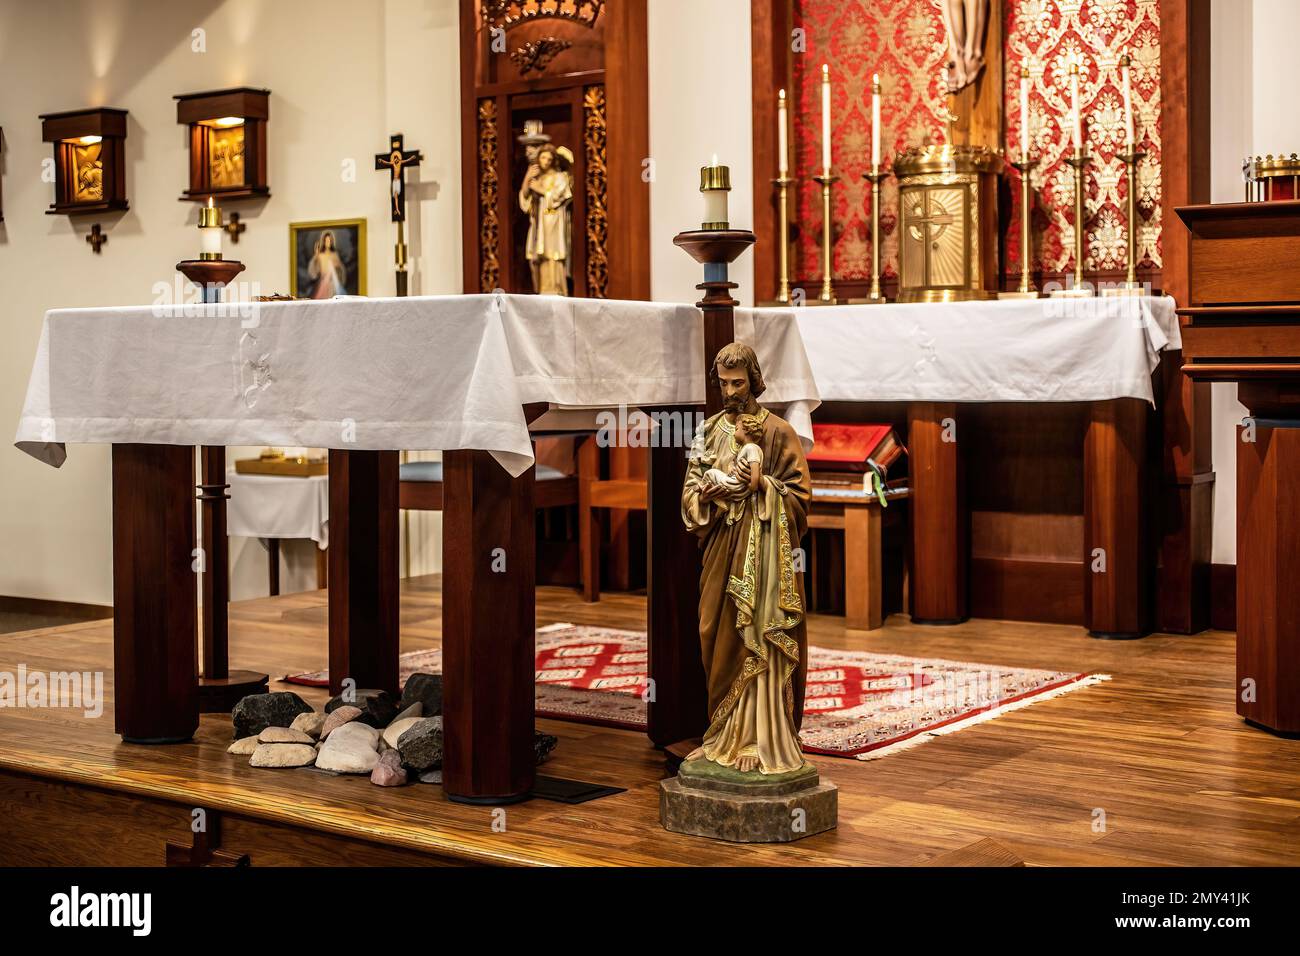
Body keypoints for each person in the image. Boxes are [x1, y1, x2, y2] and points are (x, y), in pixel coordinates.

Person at [681, 343, 811, 775]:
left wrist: (761, 489)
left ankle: (760, 736)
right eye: (724, 383)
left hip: (765, 559)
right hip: (720, 547)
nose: (731, 391)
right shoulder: (708, 430)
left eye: (739, 383)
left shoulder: (777, 431)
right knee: (713, 631)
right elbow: (689, 492)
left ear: (754, 380)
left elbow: (799, 498)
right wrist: (704, 496)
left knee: (758, 633)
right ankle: (721, 733)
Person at [518, 143, 573, 295]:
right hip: (538, 222)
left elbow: (558, 197)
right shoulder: (537, 178)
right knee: (537, 256)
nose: (546, 161)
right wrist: (528, 177)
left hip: (553, 220)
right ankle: (540, 289)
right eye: (543, 157)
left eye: (549, 158)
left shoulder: (560, 177)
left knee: (552, 256)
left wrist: (540, 189)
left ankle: (555, 289)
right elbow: (525, 199)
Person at [307, 230, 347, 299]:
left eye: (330, 240)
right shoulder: (320, 255)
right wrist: (316, 256)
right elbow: (314, 270)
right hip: (323, 284)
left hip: (334, 284)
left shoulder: (335, 255)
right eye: (327, 241)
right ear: (324, 242)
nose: (329, 242)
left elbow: (341, 270)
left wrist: (338, 267)